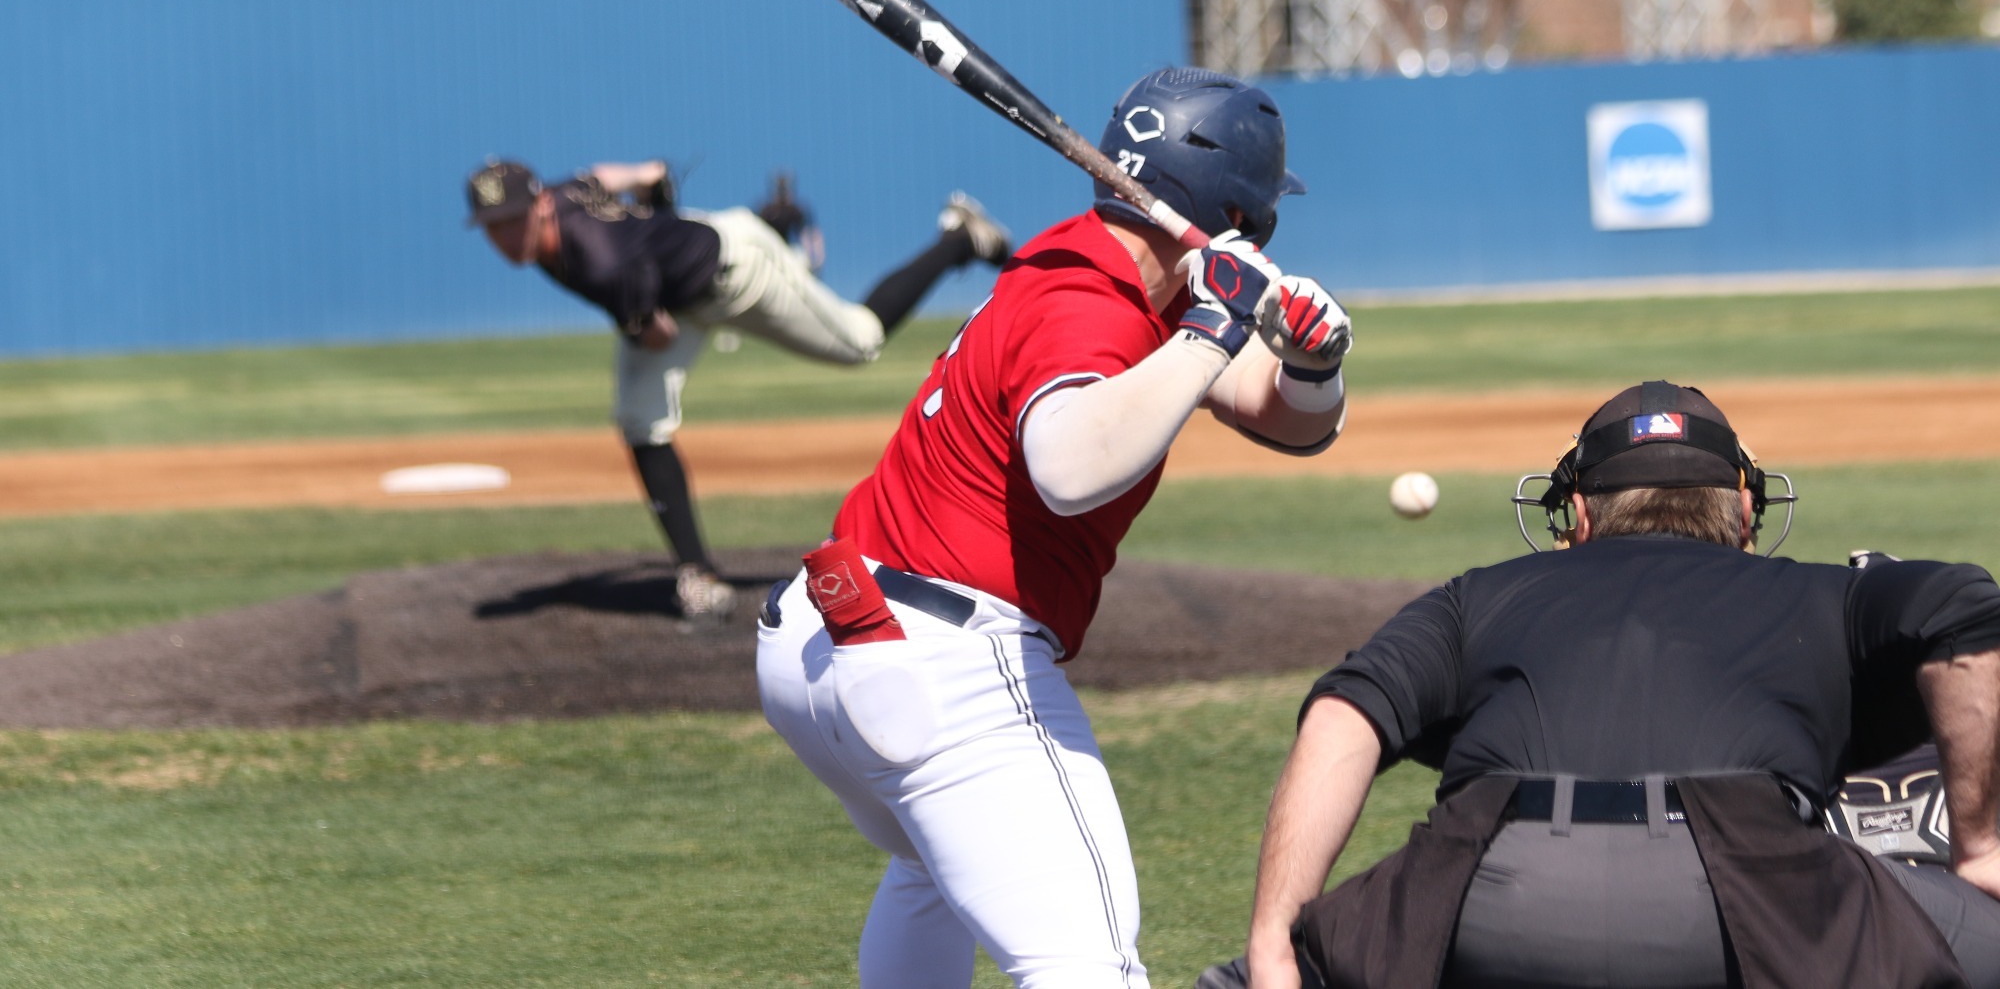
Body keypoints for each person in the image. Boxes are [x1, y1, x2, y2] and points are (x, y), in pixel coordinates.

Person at [755, 66, 1356, 988]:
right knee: (1089, 965)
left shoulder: (1090, 265)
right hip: (942, 662)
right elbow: (1070, 468)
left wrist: (1311, 364)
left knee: (931, 866)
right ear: (1244, 216)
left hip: (830, 638)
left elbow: (1284, 417)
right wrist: (1214, 323)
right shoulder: (1090, 303)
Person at [1216, 380, 2000, 989]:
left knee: (1249, 973)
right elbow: (1968, 609)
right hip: (1740, 893)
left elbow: (1343, 713)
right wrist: (1982, 848)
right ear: (1745, 512)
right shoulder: (1822, 595)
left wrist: (1272, 942)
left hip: (1490, 891)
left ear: (1581, 515)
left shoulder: (1478, 595)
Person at [466, 157, 1010, 618]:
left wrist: (642, 276)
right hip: (678, 273)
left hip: (735, 272)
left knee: (860, 341)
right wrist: (653, 194)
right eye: (492, 226)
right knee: (639, 418)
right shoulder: (564, 194)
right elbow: (633, 172)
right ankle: (696, 574)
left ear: (539, 205)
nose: (505, 236)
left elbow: (658, 334)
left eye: (512, 219)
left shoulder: (602, 262)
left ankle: (960, 239)